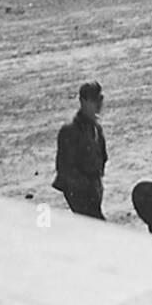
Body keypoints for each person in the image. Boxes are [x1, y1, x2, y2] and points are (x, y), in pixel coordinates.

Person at [53, 80, 108, 219]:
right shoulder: (71, 131)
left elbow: (102, 159)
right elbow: (65, 169)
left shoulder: (97, 129)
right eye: (94, 100)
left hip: (93, 193)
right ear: (83, 101)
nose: (98, 104)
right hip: (79, 195)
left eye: (100, 99)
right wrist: (83, 187)